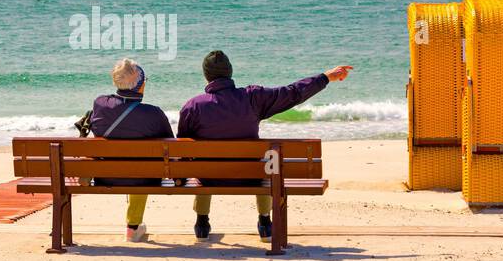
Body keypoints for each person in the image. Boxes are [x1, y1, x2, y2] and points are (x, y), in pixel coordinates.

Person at [178, 50, 352, 241]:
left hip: (209, 178)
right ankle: (264, 222)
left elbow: (183, 149)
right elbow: (292, 93)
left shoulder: (192, 106)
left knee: (202, 161)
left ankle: (202, 222)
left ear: (206, 75)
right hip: (249, 175)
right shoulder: (253, 97)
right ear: (230, 72)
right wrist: (325, 77)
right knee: (265, 165)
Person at [89, 58, 173, 242]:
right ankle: (133, 227)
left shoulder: (100, 104)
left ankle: (133, 226)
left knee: (136, 165)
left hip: (105, 175)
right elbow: (171, 148)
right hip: (143, 178)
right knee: (142, 167)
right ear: (140, 85)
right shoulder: (153, 113)